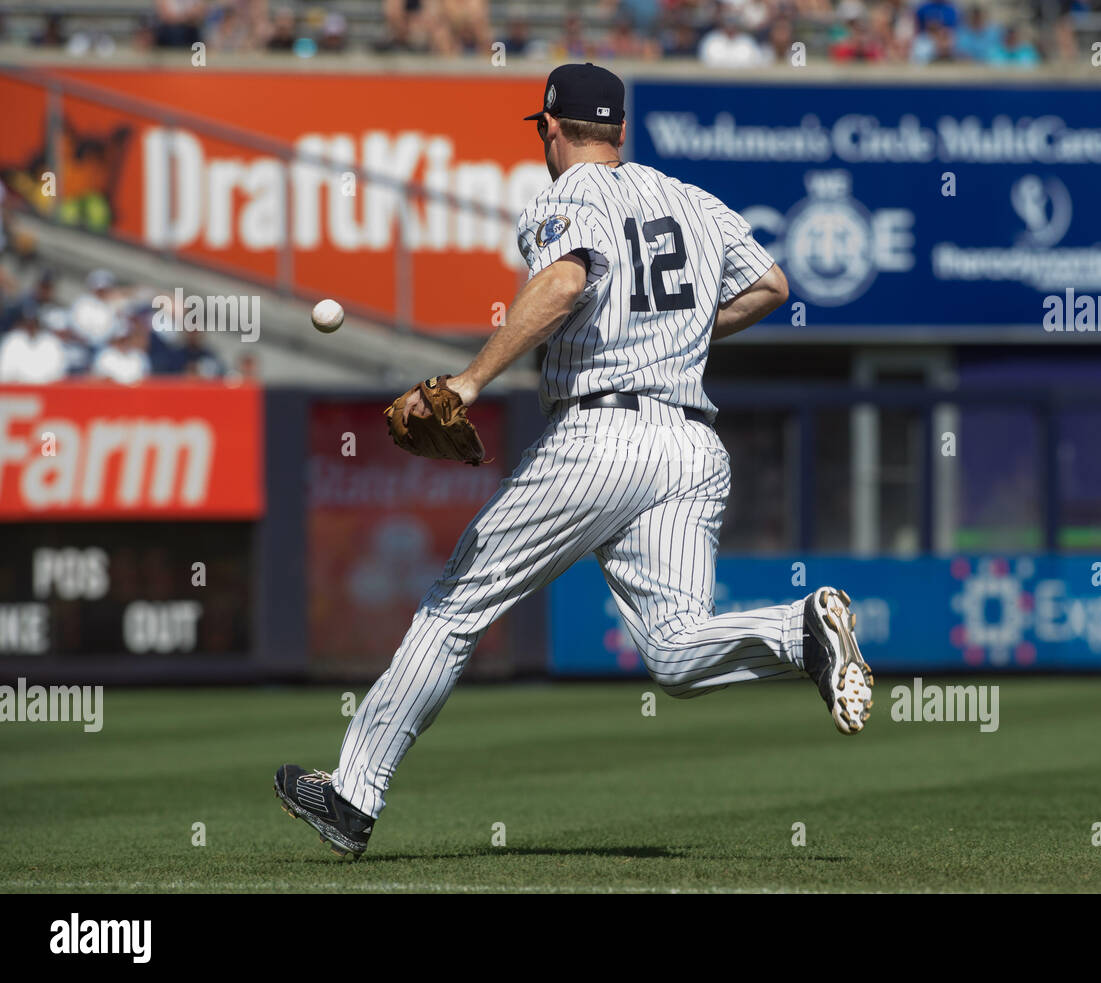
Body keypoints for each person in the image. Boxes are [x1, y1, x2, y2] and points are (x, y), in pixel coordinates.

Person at [273, 63, 874, 859]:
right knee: (674, 648)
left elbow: (562, 282)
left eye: (544, 131)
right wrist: (684, 337)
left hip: (604, 433)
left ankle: (353, 794)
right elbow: (770, 284)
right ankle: (800, 631)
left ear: (551, 129)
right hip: (692, 444)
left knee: (455, 606)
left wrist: (468, 380)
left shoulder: (566, 195)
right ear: (620, 130)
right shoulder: (689, 200)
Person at [0, 300, 67, 383]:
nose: (31, 325)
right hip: (17, 389)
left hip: (46, 388)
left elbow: (59, 371)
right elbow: (4, 371)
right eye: (27, 322)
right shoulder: (12, 340)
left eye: (34, 322)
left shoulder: (51, 341)